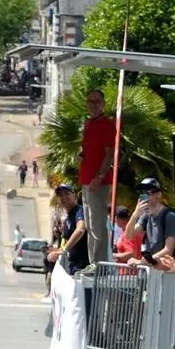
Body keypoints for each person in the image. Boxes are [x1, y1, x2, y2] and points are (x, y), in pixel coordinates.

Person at [78, 88, 116, 267]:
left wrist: (99, 176)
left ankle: (100, 265)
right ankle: (93, 263)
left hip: (97, 182)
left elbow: (110, 154)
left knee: (98, 226)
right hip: (85, 180)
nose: (93, 105)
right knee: (89, 226)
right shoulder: (88, 123)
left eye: (97, 102)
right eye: (90, 102)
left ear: (103, 104)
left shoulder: (107, 124)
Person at [46, 184, 89, 275]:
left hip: (83, 266)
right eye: (60, 195)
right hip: (74, 264)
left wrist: (63, 250)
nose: (63, 197)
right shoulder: (68, 217)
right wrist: (57, 250)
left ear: (75, 195)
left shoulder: (79, 211)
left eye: (66, 194)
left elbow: (80, 229)